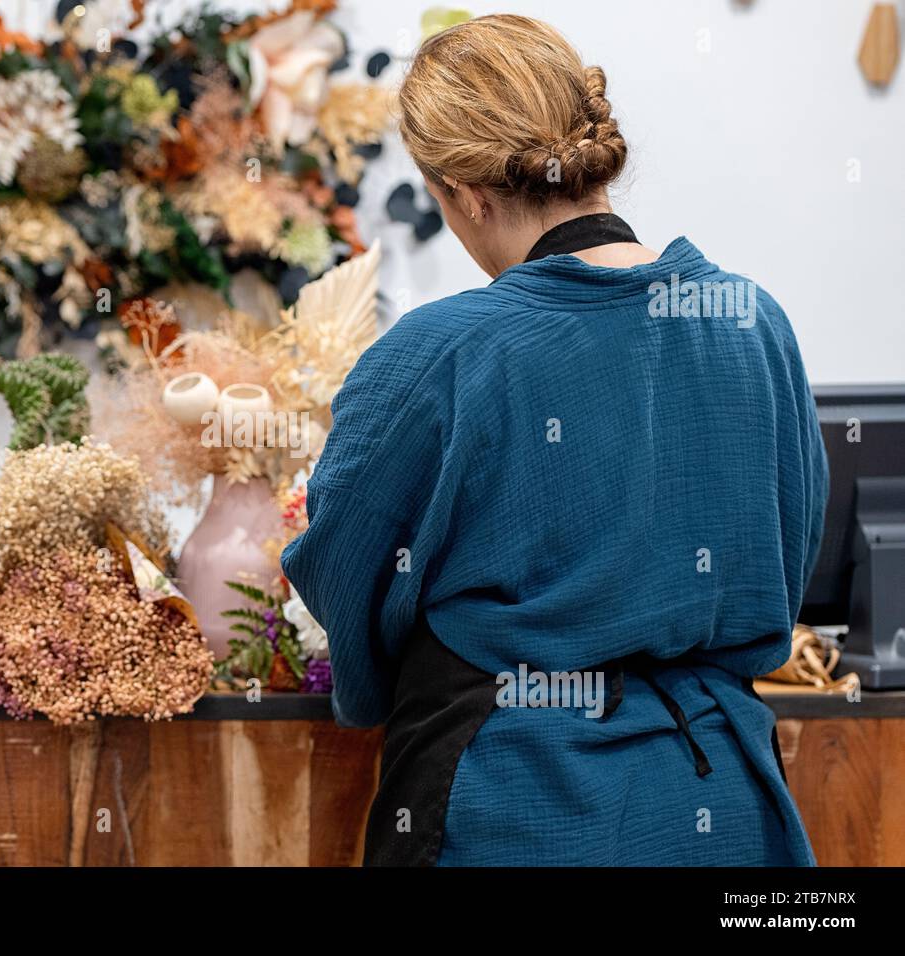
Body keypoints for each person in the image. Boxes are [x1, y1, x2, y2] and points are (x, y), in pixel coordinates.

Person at [281, 14, 828, 866]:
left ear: (465, 193)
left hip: (515, 808)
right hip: (727, 806)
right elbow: (788, 566)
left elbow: (343, 572)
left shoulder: (437, 356)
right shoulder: (754, 323)